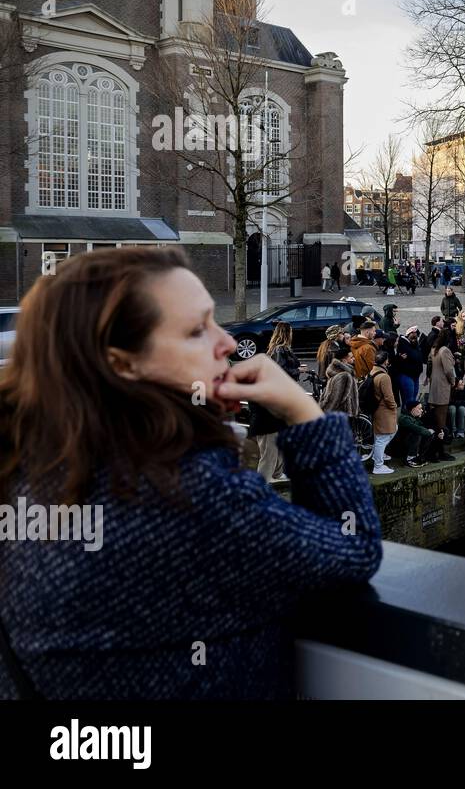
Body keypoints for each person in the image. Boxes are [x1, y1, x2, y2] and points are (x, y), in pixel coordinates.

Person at [0, 247, 381, 700]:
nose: (224, 342)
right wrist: (303, 411)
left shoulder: (29, 468)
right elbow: (353, 549)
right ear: (123, 363)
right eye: (197, 329)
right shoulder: (187, 492)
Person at [256, 321, 302, 482]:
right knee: (271, 445)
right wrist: (298, 370)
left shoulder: (274, 349)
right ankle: (265, 479)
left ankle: (276, 472)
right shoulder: (280, 350)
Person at [368, 349, 400, 474]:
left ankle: (378, 457)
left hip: (377, 409)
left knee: (380, 436)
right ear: (386, 361)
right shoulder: (384, 377)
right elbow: (388, 396)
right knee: (383, 438)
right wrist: (394, 406)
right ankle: (378, 465)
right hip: (384, 410)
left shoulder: (373, 372)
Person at [425, 327, 458, 443]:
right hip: (443, 385)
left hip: (434, 384)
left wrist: (428, 377)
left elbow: (429, 365)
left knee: (435, 413)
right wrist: (453, 381)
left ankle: (438, 436)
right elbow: (449, 370)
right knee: (441, 414)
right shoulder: (445, 350)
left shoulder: (434, 349)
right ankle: (441, 439)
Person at [397, 402, 448, 466]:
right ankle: (410, 458)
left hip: (408, 445)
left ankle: (420, 456)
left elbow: (425, 428)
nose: (422, 410)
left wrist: (438, 434)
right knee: (418, 433)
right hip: (400, 447)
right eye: (420, 408)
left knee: (431, 434)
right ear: (413, 409)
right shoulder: (404, 418)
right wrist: (430, 431)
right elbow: (418, 429)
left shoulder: (416, 419)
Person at [321, 344, 359, 417]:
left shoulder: (340, 373)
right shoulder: (344, 376)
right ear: (344, 361)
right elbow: (335, 398)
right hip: (342, 415)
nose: (353, 359)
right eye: (351, 357)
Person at [393, 326, 423, 409]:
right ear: (408, 334)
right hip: (406, 375)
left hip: (415, 375)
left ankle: (411, 418)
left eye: (416, 335)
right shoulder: (403, 344)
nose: (415, 337)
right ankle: (405, 418)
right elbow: (413, 356)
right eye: (413, 334)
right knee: (408, 401)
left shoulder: (414, 344)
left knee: (413, 400)